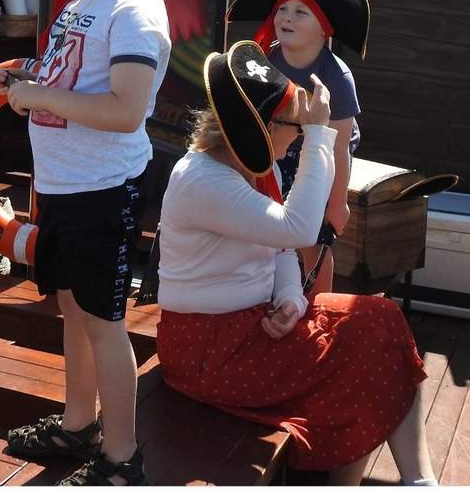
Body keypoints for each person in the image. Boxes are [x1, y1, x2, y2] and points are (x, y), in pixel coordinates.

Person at [155, 41, 436, 486]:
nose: (299, 135)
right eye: (294, 126)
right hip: (207, 350)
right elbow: (299, 230)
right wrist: (322, 135)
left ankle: (415, 482)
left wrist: (289, 297)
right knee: (373, 333)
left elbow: (282, 248)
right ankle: (411, 482)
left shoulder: (257, 167)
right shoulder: (202, 180)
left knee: (378, 323)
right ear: (263, 128)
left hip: (250, 328)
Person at [0, 0, 171, 486]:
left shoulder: (135, 10)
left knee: (104, 323)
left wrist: (35, 94)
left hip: (101, 189)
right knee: (74, 311)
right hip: (64, 185)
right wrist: (30, 79)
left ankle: (122, 458)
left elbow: (126, 110)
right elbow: (75, 77)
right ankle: (76, 426)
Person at [227, 0, 369, 286]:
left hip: (320, 154)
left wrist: (338, 203)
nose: (287, 18)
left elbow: (340, 148)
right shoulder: (262, 60)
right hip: (275, 149)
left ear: (324, 29)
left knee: (314, 237)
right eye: (282, 10)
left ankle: (317, 307)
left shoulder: (337, 77)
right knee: (268, 228)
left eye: (301, 12)